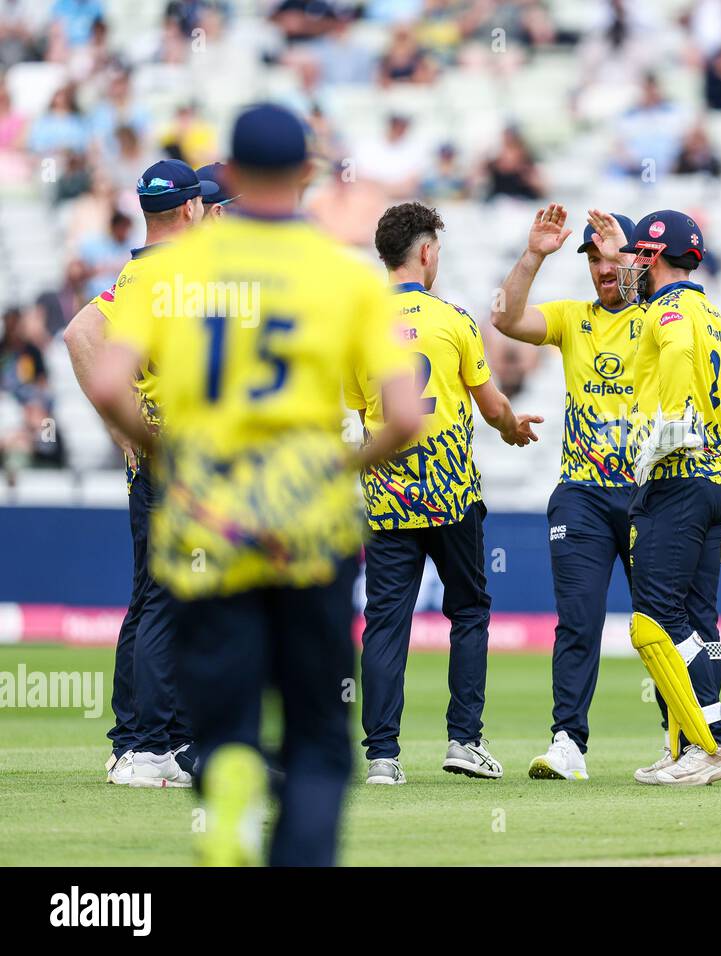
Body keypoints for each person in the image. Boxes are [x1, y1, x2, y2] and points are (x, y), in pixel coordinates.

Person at [87, 103, 422, 866]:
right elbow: (405, 415)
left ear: (229, 178)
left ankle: (229, 780)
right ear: (307, 173)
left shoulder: (171, 272)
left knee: (223, 712)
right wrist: (337, 464)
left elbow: (107, 380)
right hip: (309, 525)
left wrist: (160, 450)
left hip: (208, 519)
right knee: (315, 730)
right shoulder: (343, 277)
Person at [355, 201, 542, 786]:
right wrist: (513, 428)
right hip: (451, 492)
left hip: (387, 495)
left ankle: (382, 756)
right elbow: (492, 407)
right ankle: (464, 740)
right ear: (427, 251)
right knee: (468, 611)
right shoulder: (453, 319)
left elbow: (352, 410)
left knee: (386, 622)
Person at [63, 158, 217, 788]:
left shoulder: (133, 276)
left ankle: (142, 743)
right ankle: (152, 747)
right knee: (171, 599)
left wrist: (129, 429)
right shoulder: (194, 274)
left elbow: (90, 345)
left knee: (155, 596)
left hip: (159, 453)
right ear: (189, 209)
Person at [586, 208, 721, 786]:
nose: (624, 266)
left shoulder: (671, 309)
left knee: (652, 619)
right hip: (712, 477)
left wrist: (669, 430)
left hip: (675, 477)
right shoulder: (715, 313)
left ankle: (716, 741)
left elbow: (677, 353)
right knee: (698, 619)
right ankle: (687, 745)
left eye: (633, 254)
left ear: (653, 257)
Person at [490, 204, 639, 781]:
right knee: (578, 619)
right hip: (582, 491)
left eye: (613, 260)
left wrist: (626, 252)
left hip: (650, 493)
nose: (604, 271)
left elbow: (642, 295)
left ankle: (687, 739)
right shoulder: (574, 318)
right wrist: (534, 255)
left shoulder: (659, 317)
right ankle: (567, 742)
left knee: (660, 623)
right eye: (594, 261)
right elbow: (505, 318)